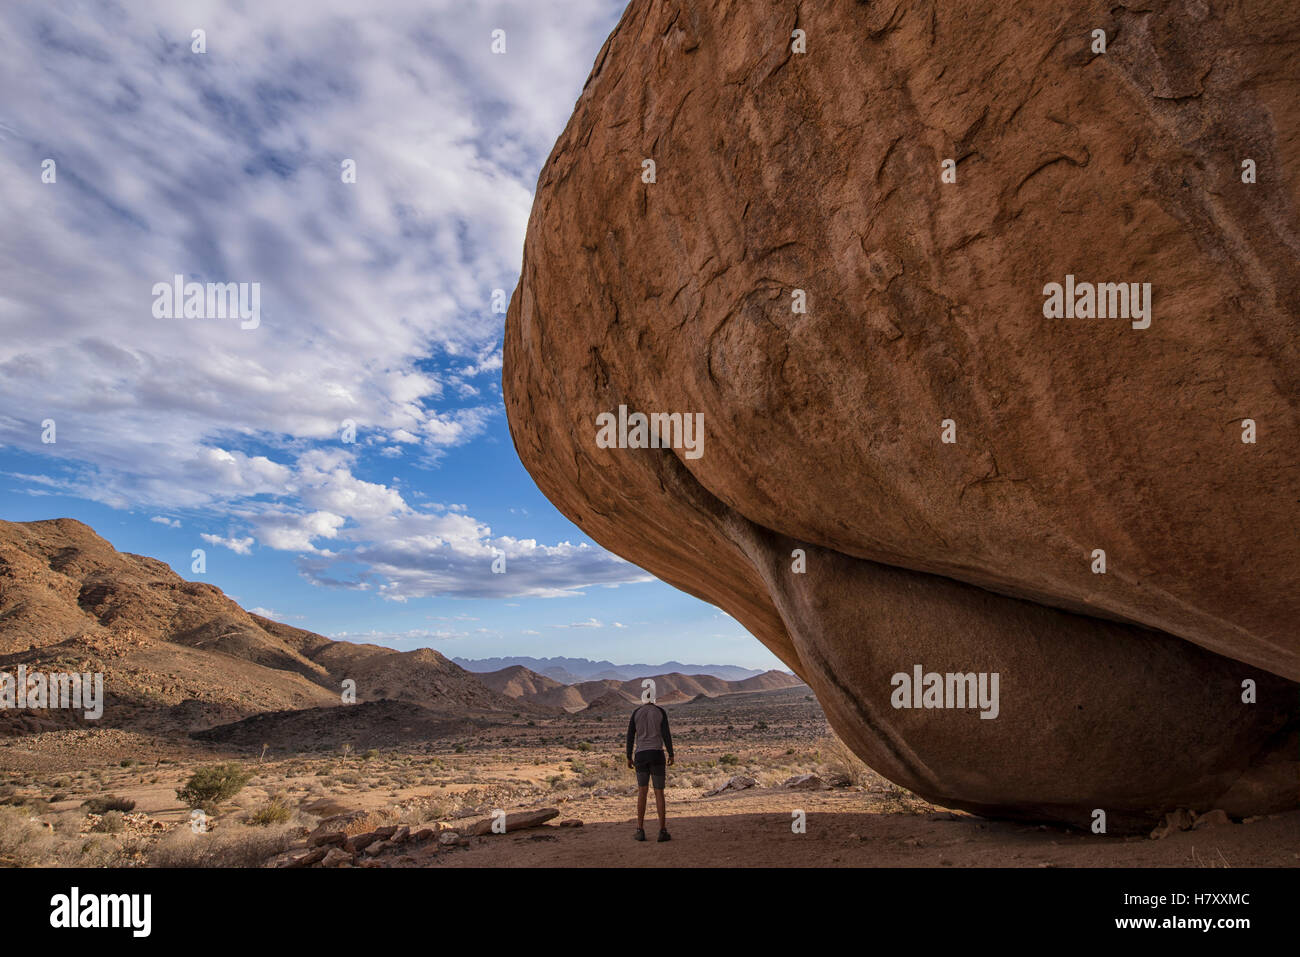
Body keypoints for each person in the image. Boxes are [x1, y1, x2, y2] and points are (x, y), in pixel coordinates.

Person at [625, 696, 675, 842]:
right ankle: (662, 831)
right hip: (657, 755)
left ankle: (640, 830)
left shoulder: (636, 713)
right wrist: (671, 753)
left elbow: (630, 736)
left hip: (640, 755)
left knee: (642, 792)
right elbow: (666, 734)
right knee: (659, 793)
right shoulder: (660, 712)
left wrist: (628, 756)